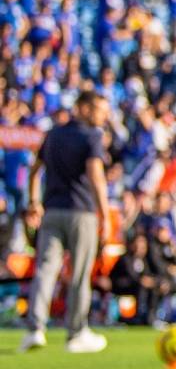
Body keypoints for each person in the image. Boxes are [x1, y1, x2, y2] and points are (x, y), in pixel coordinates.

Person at [19, 91, 112, 354]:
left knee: (46, 270)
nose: (103, 116)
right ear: (83, 108)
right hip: (81, 213)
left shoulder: (54, 134)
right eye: (99, 110)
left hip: (52, 211)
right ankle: (76, 332)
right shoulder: (92, 136)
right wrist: (104, 214)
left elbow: (35, 171)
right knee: (80, 274)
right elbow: (96, 176)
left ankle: (35, 329)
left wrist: (33, 202)